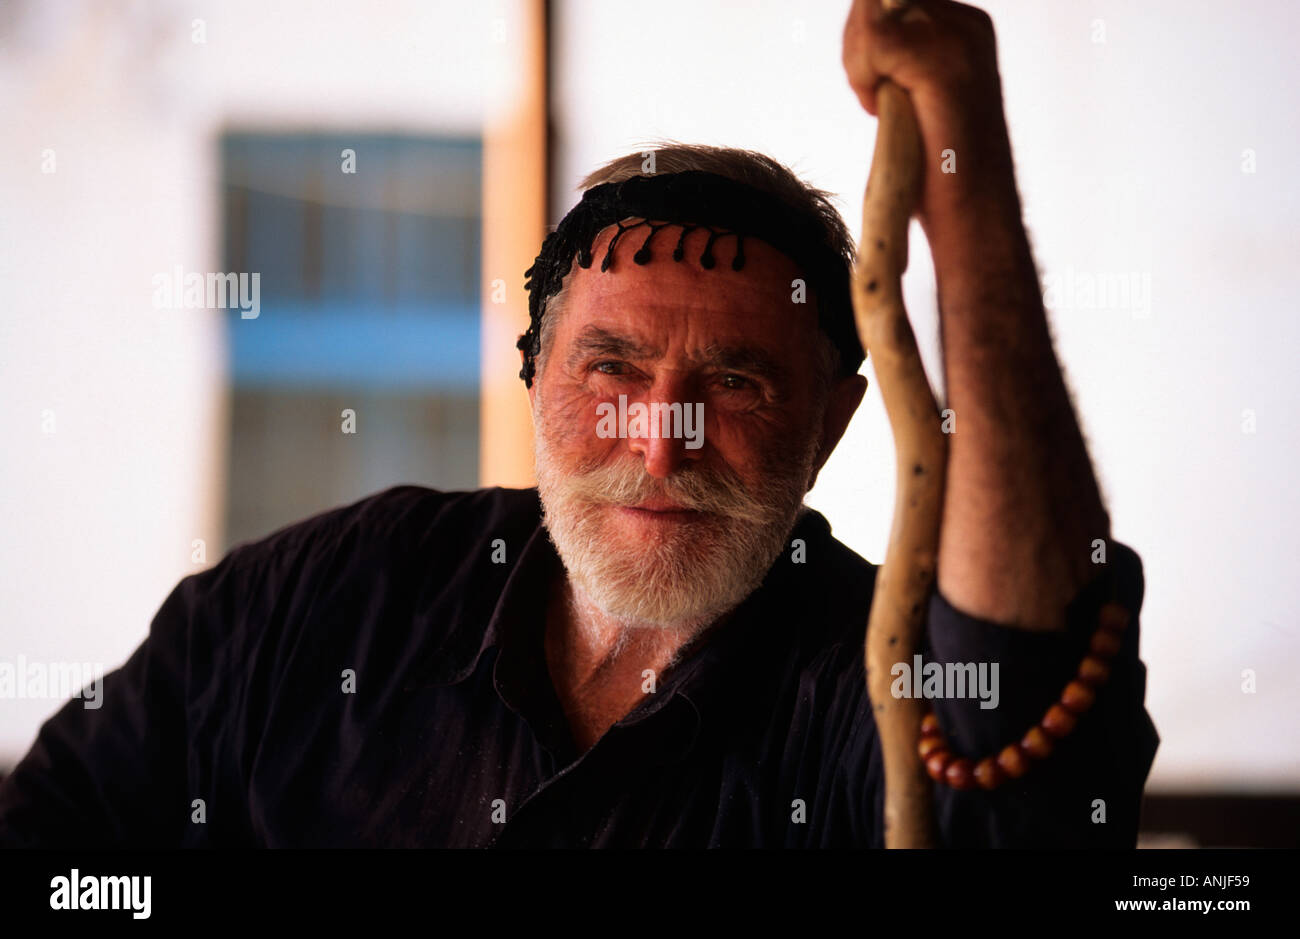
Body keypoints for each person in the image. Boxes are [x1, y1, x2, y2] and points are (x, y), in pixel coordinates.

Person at [0, 0, 1158, 847]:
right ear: (533, 375)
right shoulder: (312, 605)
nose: (661, 442)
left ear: (836, 419)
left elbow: (1027, 759)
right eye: (612, 367)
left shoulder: (874, 675)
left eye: (738, 383)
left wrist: (963, 136)